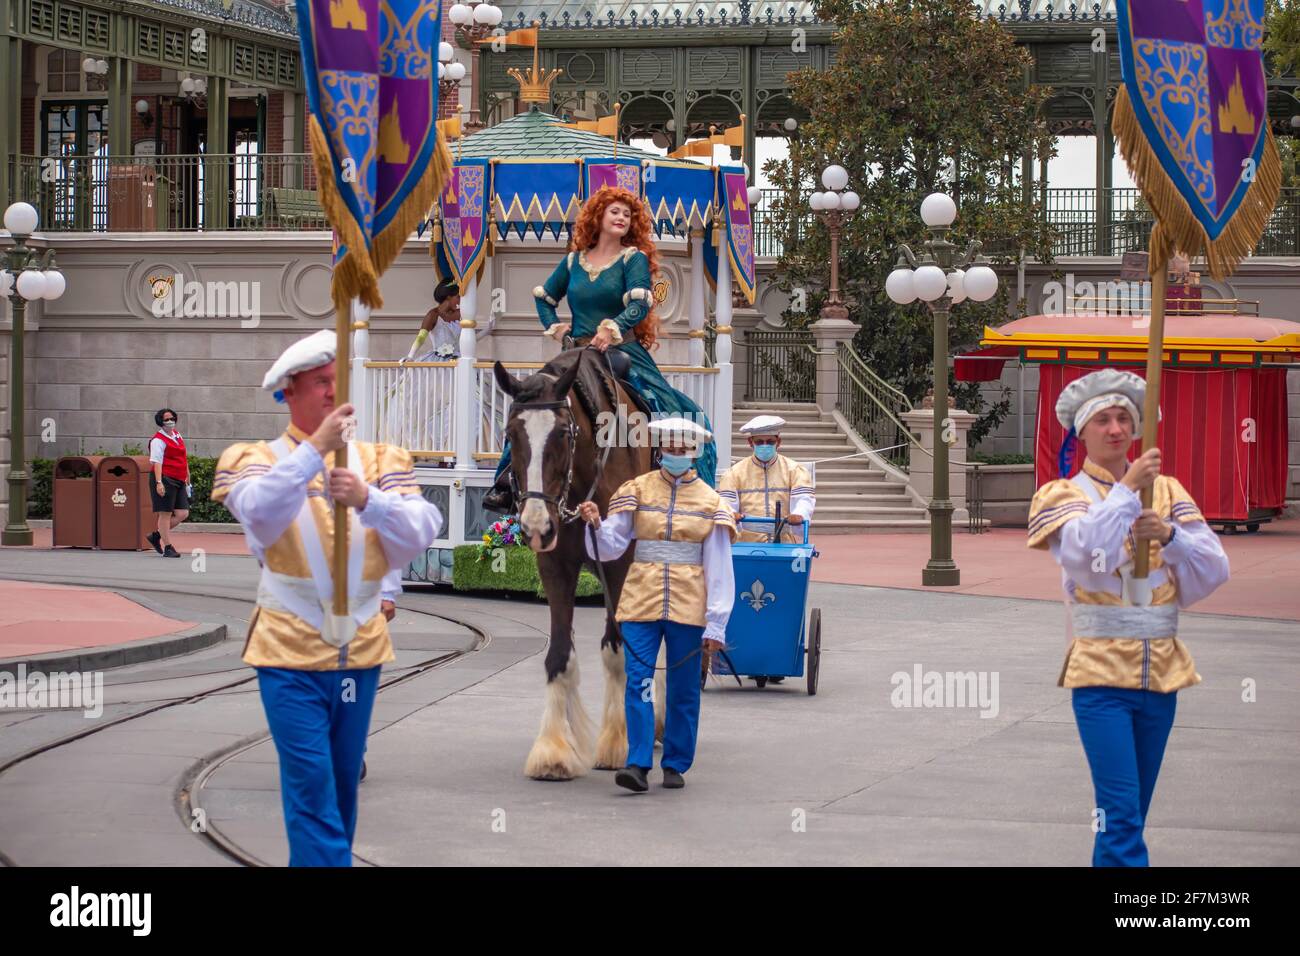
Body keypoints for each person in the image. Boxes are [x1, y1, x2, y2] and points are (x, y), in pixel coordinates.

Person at [211, 329, 441, 866]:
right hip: (287, 650)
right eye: (320, 383)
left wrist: (369, 501)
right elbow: (261, 515)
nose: (332, 393)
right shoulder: (256, 457)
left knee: (340, 787)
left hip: (358, 649)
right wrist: (313, 452)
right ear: (288, 392)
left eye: (338, 383)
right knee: (311, 784)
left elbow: (419, 533)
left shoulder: (380, 459)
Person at [1027, 368, 1229, 867]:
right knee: (1119, 815)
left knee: (1129, 815)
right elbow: (1084, 557)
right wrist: (1126, 494)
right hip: (1100, 678)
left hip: (1162, 675)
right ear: (1082, 431)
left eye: (1124, 419)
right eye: (1103, 420)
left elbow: (1215, 569)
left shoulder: (1169, 492)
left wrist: (1171, 538)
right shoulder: (1061, 495)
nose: (1115, 429)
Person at [484, 185, 717, 513]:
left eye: (627, 213)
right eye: (615, 211)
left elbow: (639, 305)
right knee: (533, 403)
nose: (622, 217)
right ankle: (505, 482)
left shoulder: (631, 259)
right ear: (598, 216)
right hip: (577, 352)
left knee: (677, 409)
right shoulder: (573, 262)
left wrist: (613, 327)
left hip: (623, 351)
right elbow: (544, 297)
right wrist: (556, 327)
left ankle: (684, 476)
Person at [578, 417, 736, 793]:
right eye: (670, 449)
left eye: (683, 450)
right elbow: (612, 544)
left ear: (693, 453)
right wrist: (596, 524)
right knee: (639, 681)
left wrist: (717, 624)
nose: (676, 455)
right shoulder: (637, 490)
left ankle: (676, 763)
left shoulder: (712, 503)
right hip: (640, 600)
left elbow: (719, 566)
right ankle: (637, 762)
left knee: (683, 688)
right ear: (659, 450)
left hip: (688, 605)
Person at [719, 414, 815, 544]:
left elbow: (804, 499)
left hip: (783, 544)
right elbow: (726, 504)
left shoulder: (794, 470)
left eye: (770, 442)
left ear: (778, 442)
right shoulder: (733, 473)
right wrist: (731, 514)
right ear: (750, 442)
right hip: (746, 546)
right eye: (759, 442)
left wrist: (799, 514)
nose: (765, 446)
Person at [147, 408, 190, 557]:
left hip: (179, 479)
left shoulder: (177, 435)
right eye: (166, 420)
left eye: (172, 418)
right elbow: (157, 462)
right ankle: (168, 548)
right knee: (165, 514)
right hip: (165, 479)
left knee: (183, 513)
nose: (170, 421)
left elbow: (183, 456)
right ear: (160, 422)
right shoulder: (158, 440)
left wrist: (187, 474)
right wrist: (159, 482)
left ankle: (156, 536)